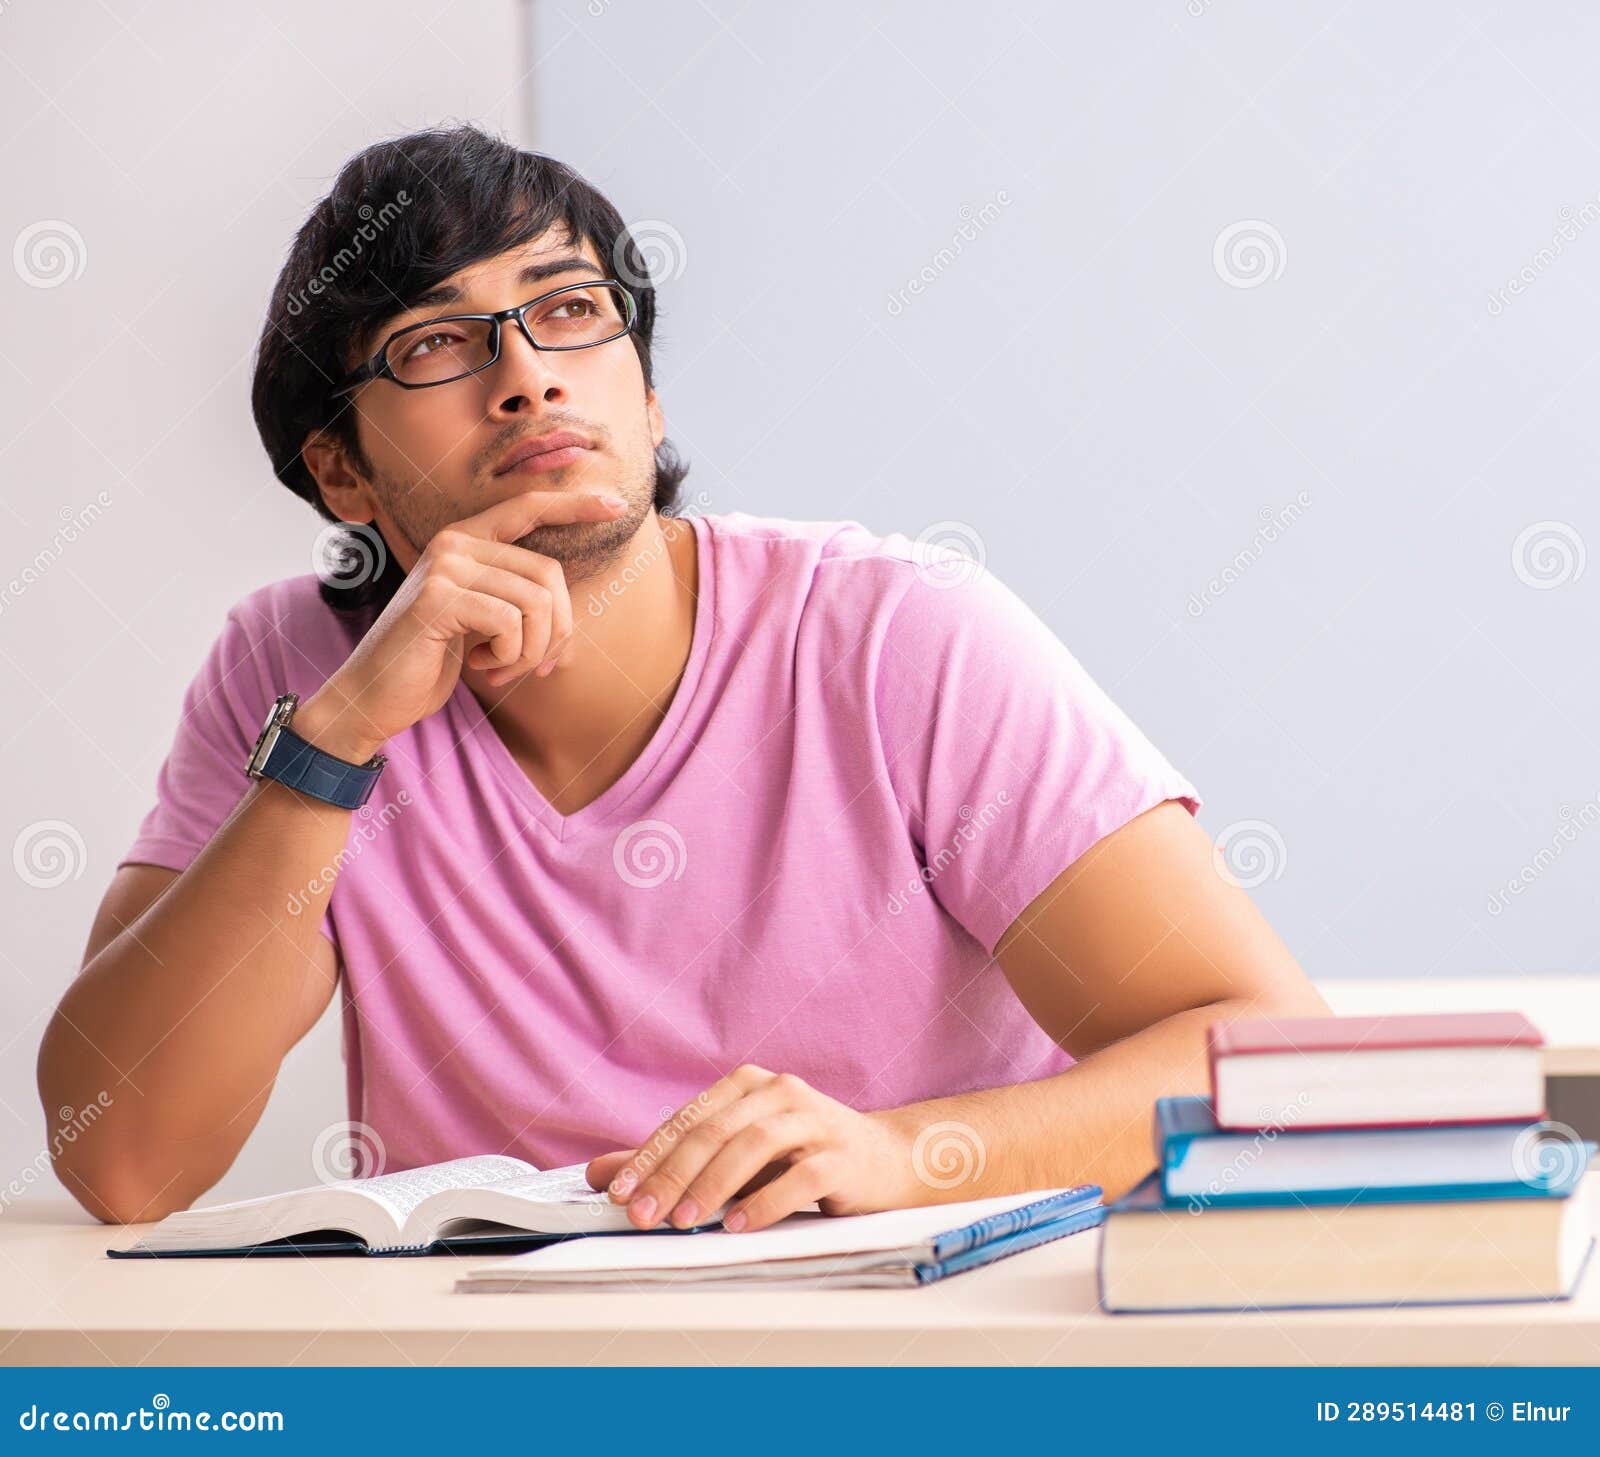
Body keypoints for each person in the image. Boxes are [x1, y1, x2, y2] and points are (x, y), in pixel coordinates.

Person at [37, 125, 1326, 1232]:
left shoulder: (898, 635)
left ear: (647, 399)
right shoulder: (294, 676)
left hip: (905, 1352)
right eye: (434, 344)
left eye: (569, 311)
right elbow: (124, 1162)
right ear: (342, 472)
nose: (527, 376)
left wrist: (903, 1155)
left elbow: (1270, 1057)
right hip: (504, 1377)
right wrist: (335, 747)